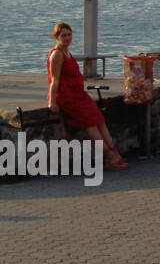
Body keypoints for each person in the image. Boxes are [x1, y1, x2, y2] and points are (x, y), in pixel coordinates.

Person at [46, 22, 129, 171]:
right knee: (90, 122)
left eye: (69, 34)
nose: (67, 38)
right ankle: (110, 156)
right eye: (63, 35)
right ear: (56, 37)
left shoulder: (68, 52)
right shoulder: (57, 54)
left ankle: (114, 151)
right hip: (67, 96)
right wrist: (52, 101)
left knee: (99, 119)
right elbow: (54, 80)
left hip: (79, 95)